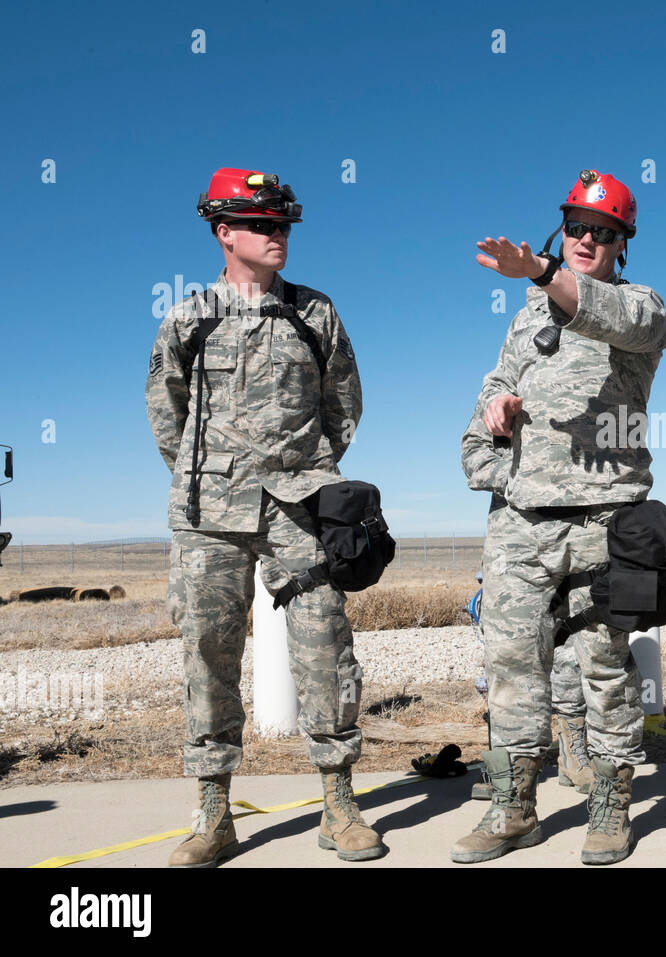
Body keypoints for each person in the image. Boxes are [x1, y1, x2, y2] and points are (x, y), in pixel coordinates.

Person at [147, 168, 381, 866]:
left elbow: (344, 404)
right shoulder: (189, 317)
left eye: (282, 224)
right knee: (208, 654)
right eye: (261, 224)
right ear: (224, 232)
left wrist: (308, 471)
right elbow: (167, 412)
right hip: (208, 514)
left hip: (300, 510)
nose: (277, 235)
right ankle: (212, 813)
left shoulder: (315, 313)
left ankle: (339, 804)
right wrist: (209, 475)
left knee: (324, 645)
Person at [455, 170, 666, 865]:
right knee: (513, 665)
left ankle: (610, 804)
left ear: (623, 244)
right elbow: (495, 384)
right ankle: (512, 807)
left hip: (606, 519)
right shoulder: (525, 318)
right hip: (522, 520)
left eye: (603, 232)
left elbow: (605, 316)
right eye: (576, 226)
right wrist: (498, 409)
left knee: (606, 667)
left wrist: (544, 271)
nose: (586, 239)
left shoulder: (641, 307)